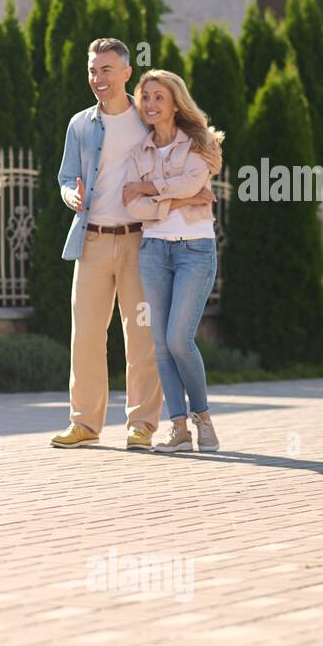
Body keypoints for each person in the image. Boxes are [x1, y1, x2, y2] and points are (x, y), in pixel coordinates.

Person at [49, 39, 215, 451]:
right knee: (85, 334)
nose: (97, 78)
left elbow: (186, 156)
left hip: (142, 242)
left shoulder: (148, 120)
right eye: (92, 70)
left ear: (126, 73)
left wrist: (190, 189)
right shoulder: (80, 124)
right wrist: (71, 195)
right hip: (92, 241)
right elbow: (66, 175)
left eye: (105, 70)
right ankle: (84, 422)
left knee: (141, 335)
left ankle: (142, 423)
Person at [121, 70, 223, 453]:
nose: (149, 104)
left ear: (175, 102)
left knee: (179, 339)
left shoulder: (200, 143)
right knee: (160, 344)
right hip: (153, 252)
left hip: (194, 251)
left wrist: (153, 191)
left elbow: (186, 184)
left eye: (158, 97)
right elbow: (131, 204)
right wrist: (180, 199)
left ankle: (203, 418)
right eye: (144, 97)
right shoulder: (138, 153)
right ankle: (178, 429)